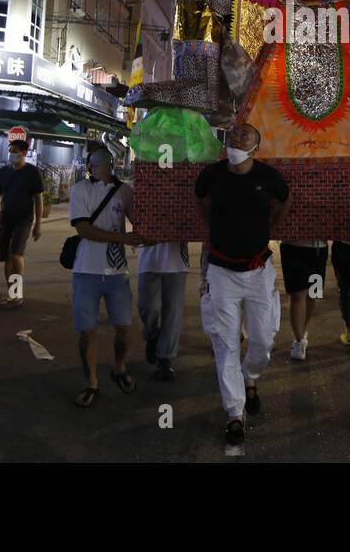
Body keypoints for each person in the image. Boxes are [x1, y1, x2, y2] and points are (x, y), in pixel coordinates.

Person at [195, 123, 289, 451]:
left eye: (244, 137)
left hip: (258, 270)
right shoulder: (212, 175)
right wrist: (212, 228)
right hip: (221, 272)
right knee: (225, 343)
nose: (236, 140)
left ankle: (250, 377)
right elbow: (201, 200)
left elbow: (283, 201)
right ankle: (235, 414)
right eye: (233, 136)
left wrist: (271, 228)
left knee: (263, 340)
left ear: (256, 147)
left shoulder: (269, 177)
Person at [69, 148, 140, 405]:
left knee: (123, 327)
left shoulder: (125, 191)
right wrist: (123, 238)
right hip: (86, 270)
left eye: (105, 163)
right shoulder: (80, 191)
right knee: (87, 331)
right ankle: (91, 382)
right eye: (97, 164)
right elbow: (84, 229)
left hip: (117, 272)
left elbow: (139, 220)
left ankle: (119, 368)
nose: (100, 167)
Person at [0, 138, 44, 308]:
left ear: (24, 153)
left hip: (23, 220)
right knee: (6, 258)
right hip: (4, 220)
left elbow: (38, 199)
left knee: (15, 254)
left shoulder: (32, 172)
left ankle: (17, 295)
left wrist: (38, 224)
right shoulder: (3, 172)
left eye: (15, 151)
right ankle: (11, 294)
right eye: (10, 150)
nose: (11, 154)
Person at [137, 200, 191, 383]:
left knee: (173, 314)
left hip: (176, 262)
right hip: (149, 261)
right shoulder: (145, 193)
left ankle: (165, 360)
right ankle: (152, 335)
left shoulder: (184, 194)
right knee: (148, 307)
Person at [280, 235, 328, 361]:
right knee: (296, 294)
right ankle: (299, 339)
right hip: (292, 246)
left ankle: (302, 331)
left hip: (319, 248)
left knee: (313, 294)